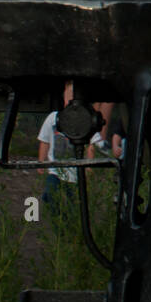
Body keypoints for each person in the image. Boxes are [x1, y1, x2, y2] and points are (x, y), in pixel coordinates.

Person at [37, 82, 110, 211]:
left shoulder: (86, 121)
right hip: (55, 171)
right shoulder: (53, 118)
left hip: (76, 175)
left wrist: (89, 167)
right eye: (68, 98)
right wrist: (41, 161)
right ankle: (59, 225)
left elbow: (93, 145)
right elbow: (44, 140)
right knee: (50, 196)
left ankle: (67, 226)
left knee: (73, 205)